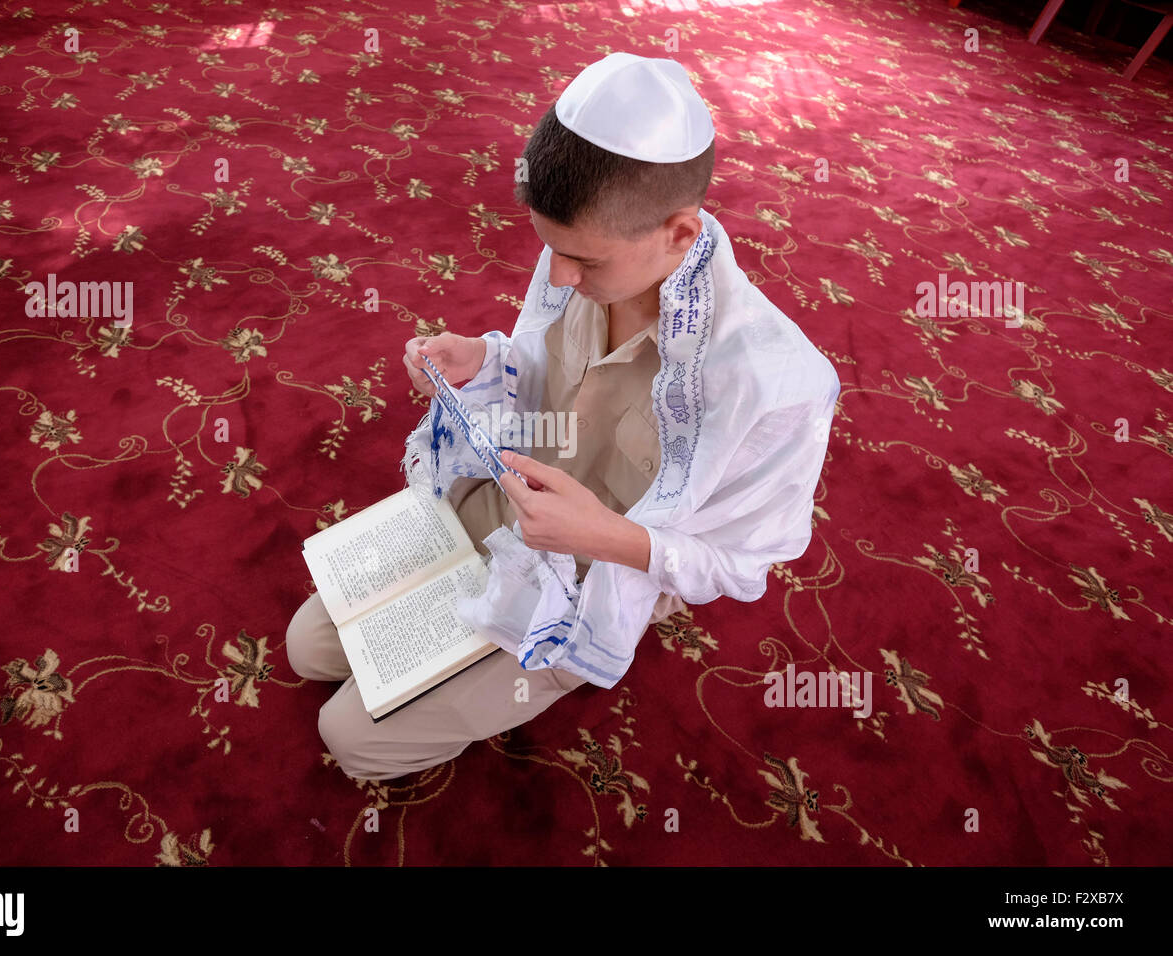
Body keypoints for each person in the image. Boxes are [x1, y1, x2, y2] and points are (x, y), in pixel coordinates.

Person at [285, 52, 840, 782]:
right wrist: (482, 362)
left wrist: (606, 536)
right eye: (550, 248)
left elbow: (741, 565)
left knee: (351, 737)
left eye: (582, 261)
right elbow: (539, 375)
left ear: (679, 232)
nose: (558, 278)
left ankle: (558, 665)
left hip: (593, 572)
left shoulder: (778, 383)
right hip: (505, 500)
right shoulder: (584, 255)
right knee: (308, 647)